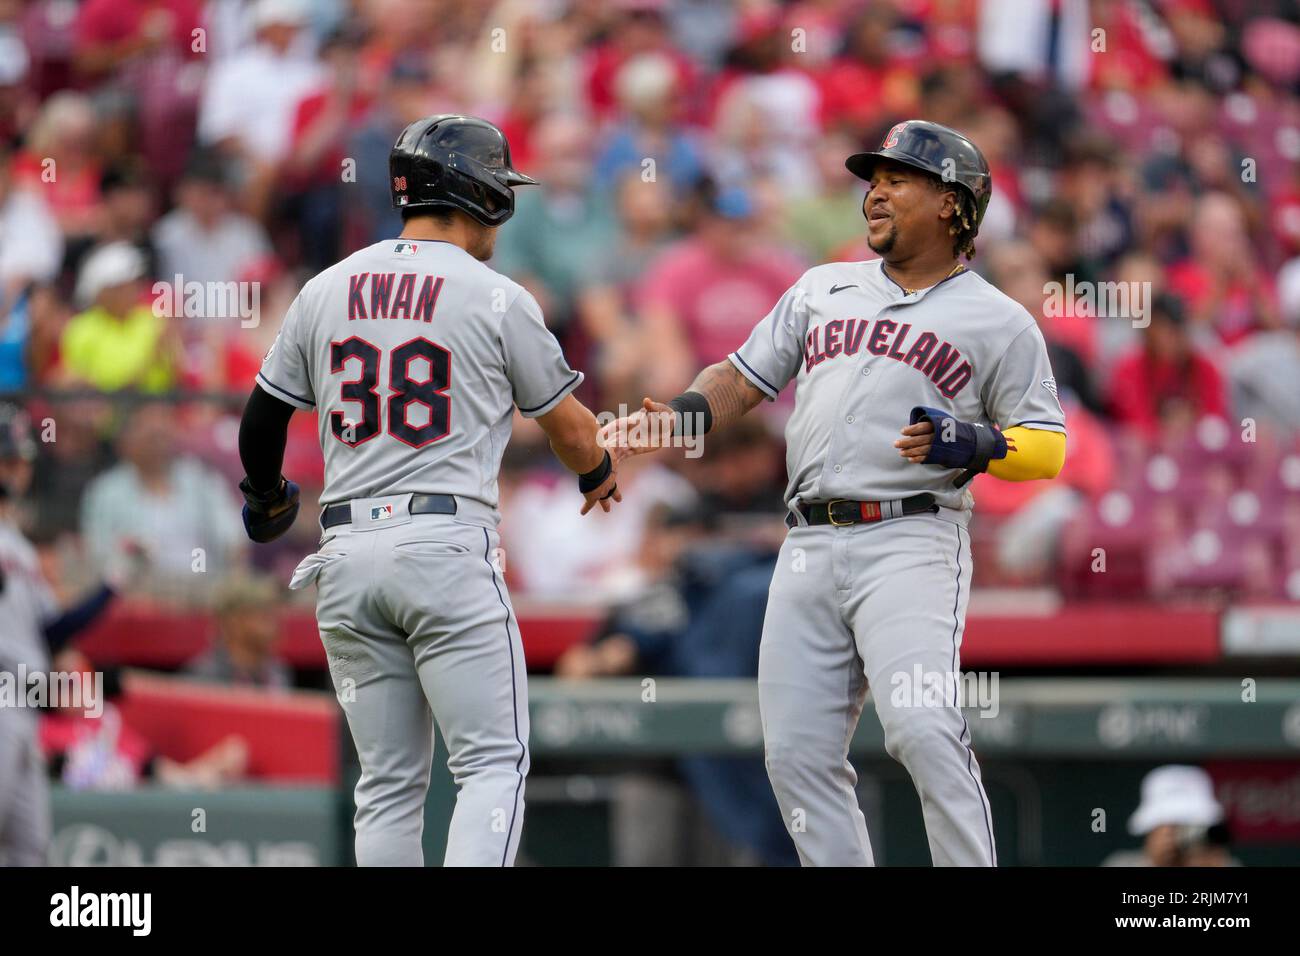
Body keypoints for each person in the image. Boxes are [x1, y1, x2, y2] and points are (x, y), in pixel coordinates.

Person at [602, 120, 1067, 867]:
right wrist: (682, 418)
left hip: (909, 539)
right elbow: (742, 376)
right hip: (808, 541)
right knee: (794, 755)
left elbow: (1048, 446)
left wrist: (975, 443)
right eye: (872, 179)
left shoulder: (998, 320)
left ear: (952, 204)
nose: (875, 192)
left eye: (898, 179)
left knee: (921, 726)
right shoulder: (823, 286)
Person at [236, 114, 620, 867]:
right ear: (480, 194)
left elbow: (263, 415)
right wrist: (598, 472)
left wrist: (266, 496)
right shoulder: (497, 296)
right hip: (443, 545)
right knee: (490, 766)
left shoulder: (326, 285)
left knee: (385, 784)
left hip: (343, 554)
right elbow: (572, 430)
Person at [0, 404, 123, 865]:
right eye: (8, 460)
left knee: (29, 848)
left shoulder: (19, 547)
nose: (17, 471)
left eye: (19, 461)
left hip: (24, 704)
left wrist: (111, 587)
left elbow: (51, 633)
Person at [1103, 765, 1239, 867]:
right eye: (1174, 826)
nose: (1182, 834)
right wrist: (1154, 863)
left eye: (1192, 825)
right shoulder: (1121, 863)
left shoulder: (1220, 862)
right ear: (1152, 831)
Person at [183, 574, 292, 689]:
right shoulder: (202, 678)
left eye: (273, 613)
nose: (272, 622)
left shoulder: (279, 673)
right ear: (233, 621)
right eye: (262, 613)